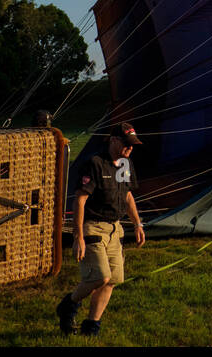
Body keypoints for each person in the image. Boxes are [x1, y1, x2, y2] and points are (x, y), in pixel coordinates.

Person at [55, 122, 145, 336]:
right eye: (126, 144)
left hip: (115, 228)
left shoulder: (125, 163)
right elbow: (80, 200)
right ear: (113, 140)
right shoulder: (94, 163)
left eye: (132, 146)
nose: (129, 149)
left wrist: (137, 223)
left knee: (112, 280)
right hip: (93, 226)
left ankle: (91, 326)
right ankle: (69, 305)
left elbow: (127, 195)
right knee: (100, 277)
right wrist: (78, 237)